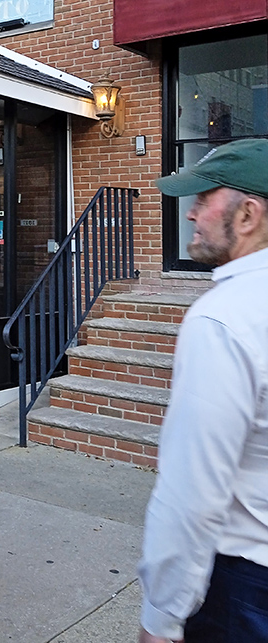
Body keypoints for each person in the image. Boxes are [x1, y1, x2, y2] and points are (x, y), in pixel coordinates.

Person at [138, 138, 268, 643]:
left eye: (204, 198)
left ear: (248, 214)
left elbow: (190, 493)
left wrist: (162, 617)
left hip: (242, 590)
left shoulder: (222, 318)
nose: (190, 214)